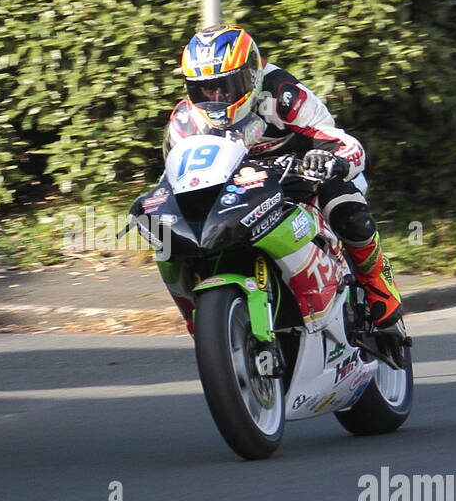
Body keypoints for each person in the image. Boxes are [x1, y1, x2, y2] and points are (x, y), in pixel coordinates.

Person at [167, 23, 402, 328]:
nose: (216, 95)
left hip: (303, 173)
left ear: (252, 73)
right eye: (204, 88)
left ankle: (376, 278)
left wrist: (333, 162)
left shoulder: (283, 94)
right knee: (178, 233)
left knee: (348, 213)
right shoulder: (184, 121)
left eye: (227, 84)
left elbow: (344, 143)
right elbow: (175, 174)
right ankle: (199, 313)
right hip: (240, 184)